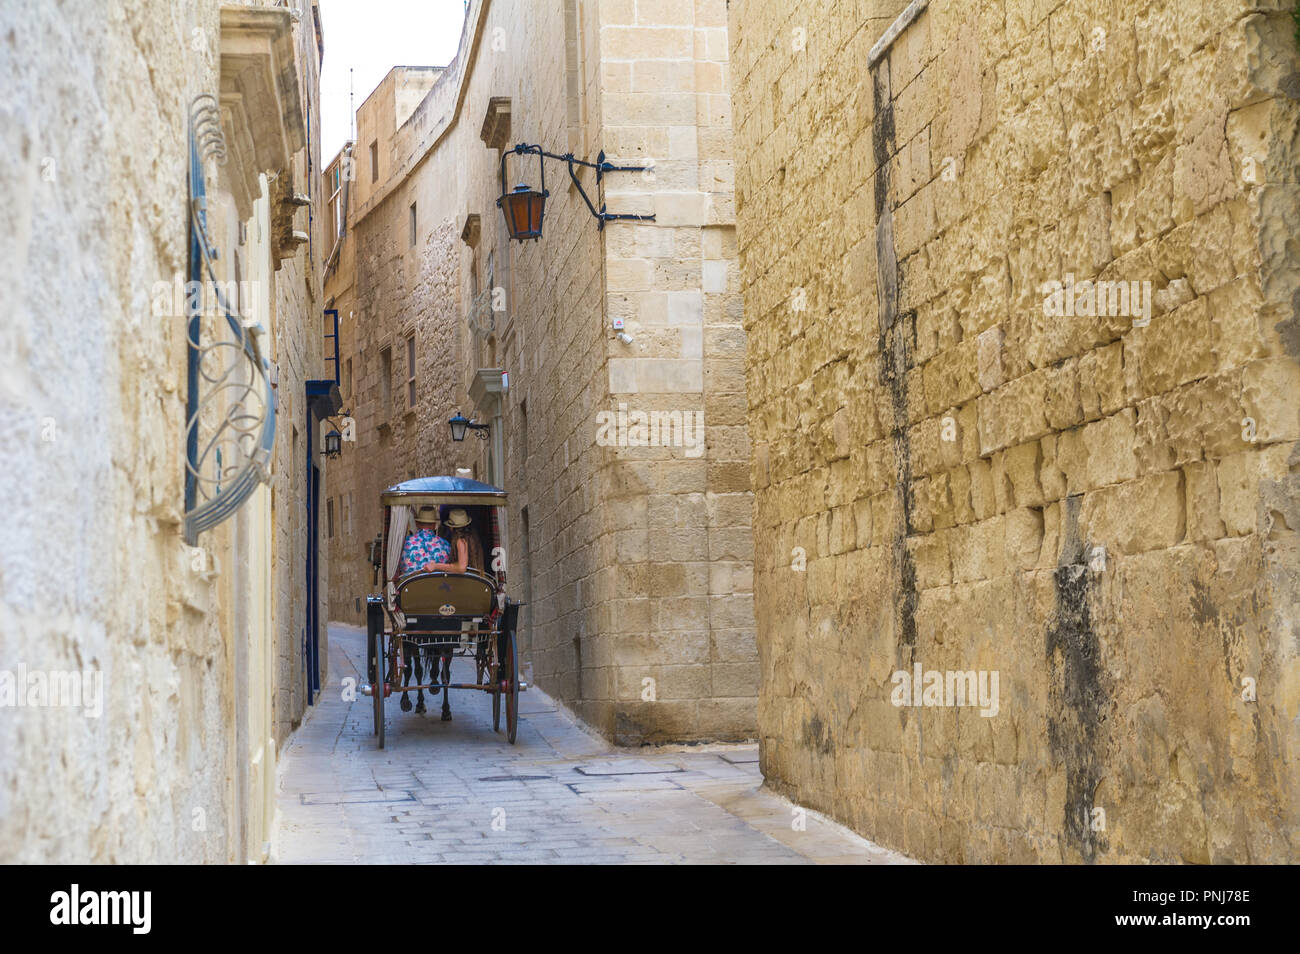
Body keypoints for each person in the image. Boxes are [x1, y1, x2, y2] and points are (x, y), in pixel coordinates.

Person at [397, 504, 468, 578]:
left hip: (408, 587)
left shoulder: (404, 543)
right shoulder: (446, 545)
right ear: (434, 525)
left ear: (417, 524)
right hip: (437, 587)